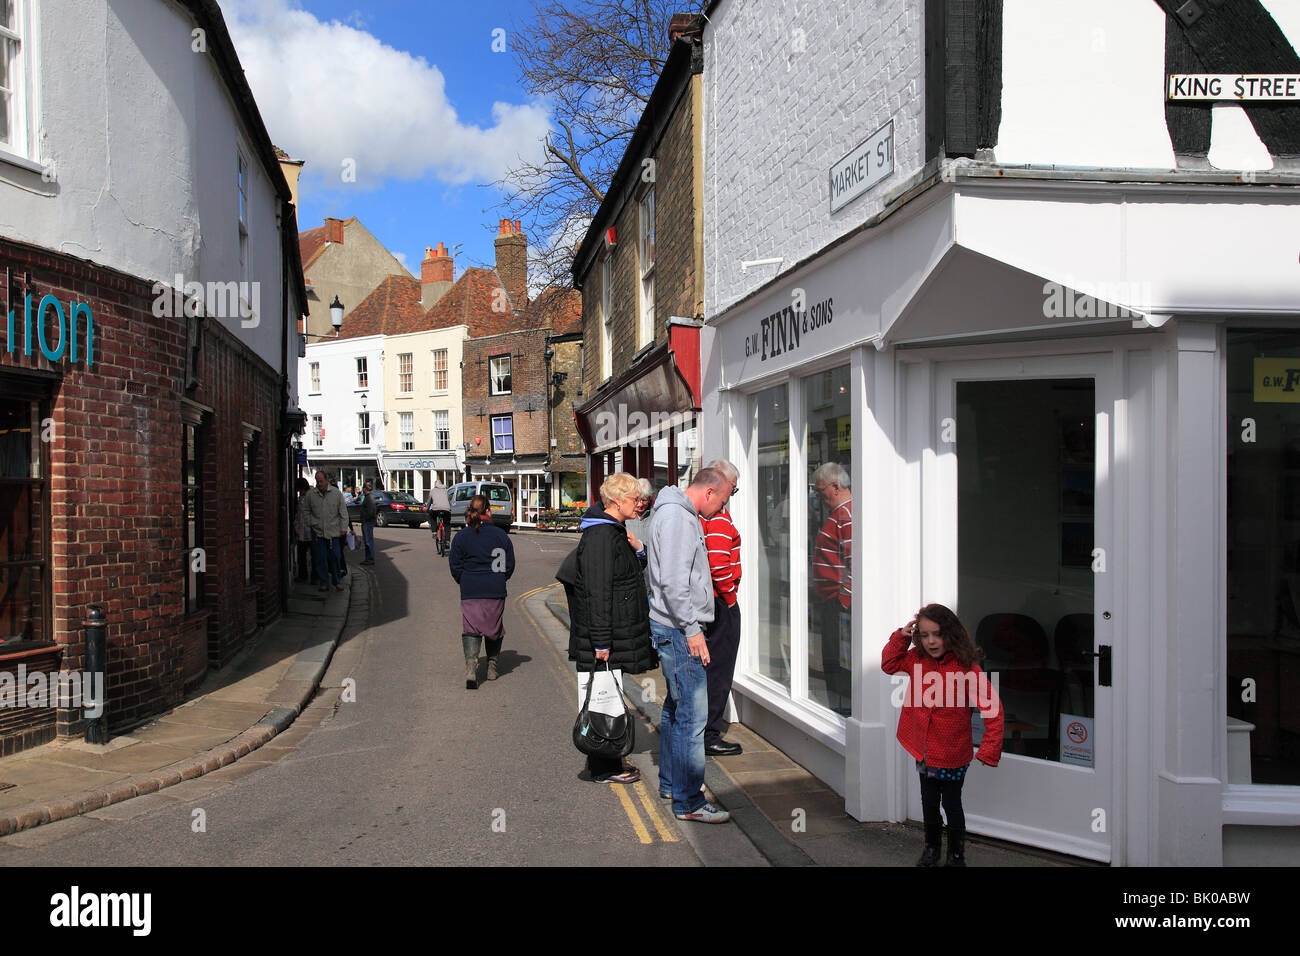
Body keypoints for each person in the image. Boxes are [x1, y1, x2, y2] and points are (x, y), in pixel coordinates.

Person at [881, 604, 1004, 867]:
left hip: (952, 752)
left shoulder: (967, 669)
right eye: (924, 635)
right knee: (928, 801)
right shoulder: (916, 659)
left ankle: (956, 855)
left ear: (950, 633)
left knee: (951, 803)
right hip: (924, 749)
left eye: (936, 634)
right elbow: (889, 664)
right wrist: (901, 637)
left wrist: (989, 748)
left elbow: (992, 709)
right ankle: (931, 849)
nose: (931, 641)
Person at [556, 472, 657, 784]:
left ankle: (606, 762)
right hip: (603, 635)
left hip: (610, 633)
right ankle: (604, 767)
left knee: (607, 698)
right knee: (603, 700)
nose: (639, 503)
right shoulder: (602, 536)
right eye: (633, 499)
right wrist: (601, 642)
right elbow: (598, 593)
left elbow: (623, 575)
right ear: (616, 501)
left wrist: (639, 550)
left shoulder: (613, 531)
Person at [646, 467, 733, 824]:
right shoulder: (680, 519)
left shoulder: (670, 510)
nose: (723, 508)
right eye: (724, 500)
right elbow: (674, 583)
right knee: (693, 716)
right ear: (709, 493)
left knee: (676, 707)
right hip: (680, 631)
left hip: (670, 626)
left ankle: (671, 783)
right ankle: (690, 802)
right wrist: (693, 630)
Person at [449, 494, 515, 689]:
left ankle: (471, 668)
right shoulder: (501, 536)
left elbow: (455, 565)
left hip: (471, 589)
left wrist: (464, 580)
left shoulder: (461, 537)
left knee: (471, 628)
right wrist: (499, 579)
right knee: (494, 629)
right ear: (488, 511)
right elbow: (509, 565)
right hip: (495, 589)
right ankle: (492, 667)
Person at [700, 459, 743, 757]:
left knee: (711, 669)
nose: (732, 495)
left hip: (712, 601)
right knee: (719, 670)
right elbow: (718, 565)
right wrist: (729, 598)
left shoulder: (710, 515)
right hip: (720, 602)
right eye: (733, 488)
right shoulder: (717, 519)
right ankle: (710, 735)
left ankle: (705, 731)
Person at [811, 461, 852, 713]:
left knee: (836, 658)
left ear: (835, 486)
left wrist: (843, 599)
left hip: (837, 601)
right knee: (831, 657)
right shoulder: (840, 514)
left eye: (820, 490)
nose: (818, 496)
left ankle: (838, 708)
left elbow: (854, 560)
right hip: (831, 598)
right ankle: (835, 705)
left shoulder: (846, 515)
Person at [303, 470, 351, 592]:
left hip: (334, 532)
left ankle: (337, 580)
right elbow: (306, 511)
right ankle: (324, 582)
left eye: (321, 481)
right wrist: (311, 523)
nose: (319, 484)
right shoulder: (311, 495)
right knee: (321, 558)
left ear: (326, 481)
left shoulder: (336, 494)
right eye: (317, 481)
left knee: (335, 556)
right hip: (318, 532)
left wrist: (343, 528)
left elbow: (343, 513)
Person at [293, 477, 313, 582]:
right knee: (301, 556)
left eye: (299, 489)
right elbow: (298, 515)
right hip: (302, 532)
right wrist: (296, 527)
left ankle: (314, 576)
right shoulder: (301, 498)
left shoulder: (311, 497)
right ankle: (303, 575)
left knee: (314, 556)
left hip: (311, 531)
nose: (299, 491)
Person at [427, 479, 451, 549]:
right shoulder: (445, 490)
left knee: (432, 517)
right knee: (447, 524)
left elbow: (429, 501)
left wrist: (427, 509)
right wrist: (449, 509)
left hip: (436, 509)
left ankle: (434, 532)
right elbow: (448, 501)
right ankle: (447, 541)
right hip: (446, 509)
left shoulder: (433, 490)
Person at [359, 480, 377, 565]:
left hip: (367, 522)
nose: (362, 490)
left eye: (363, 488)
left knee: (368, 541)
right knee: (367, 541)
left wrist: (365, 519)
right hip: (367, 522)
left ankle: (370, 559)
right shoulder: (368, 497)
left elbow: (371, 512)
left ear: (365, 489)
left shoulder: (369, 498)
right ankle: (368, 558)